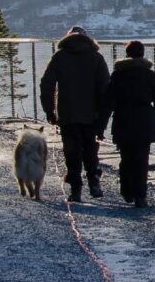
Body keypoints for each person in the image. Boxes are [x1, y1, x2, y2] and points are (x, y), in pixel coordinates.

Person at [38, 26, 109, 201]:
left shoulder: (60, 57)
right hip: (92, 116)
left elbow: (47, 84)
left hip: (67, 114)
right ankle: (93, 179)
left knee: (72, 152)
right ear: (87, 39)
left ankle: (76, 190)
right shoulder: (97, 58)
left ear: (67, 38)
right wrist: (103, 117)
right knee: (91, 150)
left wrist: (50, 111)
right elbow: (105, 89)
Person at [104, 40, 155, 208]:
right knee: (141, 159)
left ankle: (127, 190)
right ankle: (141, 196)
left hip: (123, 119)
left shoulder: (118, 74)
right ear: (142, 53)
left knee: (126, 158)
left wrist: (101, 125)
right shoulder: (149, 74)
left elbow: (109, 102)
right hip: (145, 119)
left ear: (127, 54)